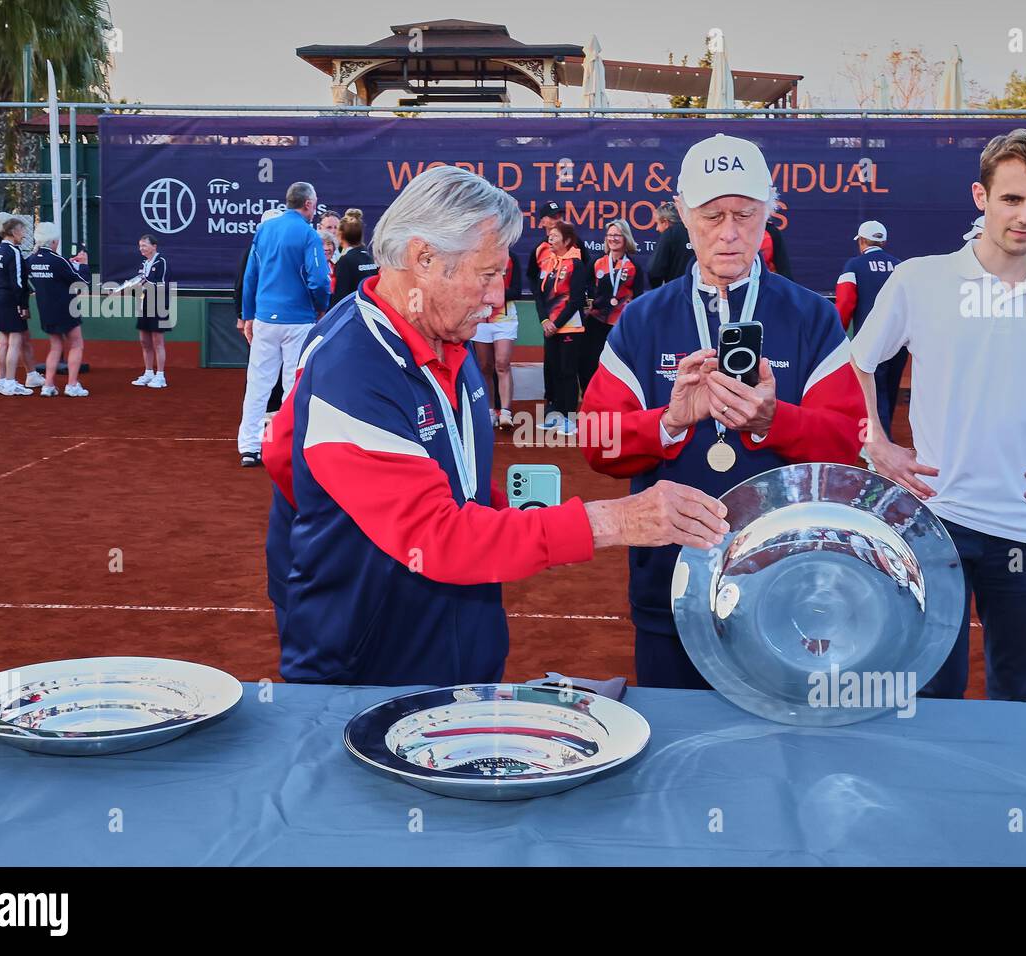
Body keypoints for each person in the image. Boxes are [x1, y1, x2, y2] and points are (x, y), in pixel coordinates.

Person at [260, 164, 729, 687]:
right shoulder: (352, 366)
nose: (495, 298)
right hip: (365, 675)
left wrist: (535, 516)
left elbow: (460, 495)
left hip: (455, 654)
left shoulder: (448, 346)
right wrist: (614, 522)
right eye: (486, 276)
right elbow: (437, 536)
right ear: (423, 259)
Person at [580, 133, 865, 688]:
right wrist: (670, 422)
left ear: (770, 213)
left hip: (785, 581)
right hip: (669, 576)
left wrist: (772, 420)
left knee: (779, 750)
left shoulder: (812, 317)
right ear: (683, 215)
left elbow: (845, 443)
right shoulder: (643, 319)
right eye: (712, 215)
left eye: (745, 213)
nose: (730, 233)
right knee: (674, 745)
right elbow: (597, 440)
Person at [850, 128, 1026, 702]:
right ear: (981, 197)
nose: (1025, 216)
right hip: (933, 518)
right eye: (1012, 199)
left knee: (1015, 689)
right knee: (931, 689)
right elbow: (857, 363)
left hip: (1023, 526)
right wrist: (874, 439)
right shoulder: (920, 279)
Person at [238, 181, 330, 468]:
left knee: (258, 384)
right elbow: (318, 280)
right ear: (308, 205)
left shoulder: (265, 229)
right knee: (293, 385)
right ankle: (286, 446)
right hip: (298, 319)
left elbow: (250, 275)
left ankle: (250, 447)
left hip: (266, 317)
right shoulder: (308, 234)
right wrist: (320, 308)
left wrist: (249, 314)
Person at [835, 220, 905, 440]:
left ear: (862, 241)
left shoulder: (854, 266)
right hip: (899, 340)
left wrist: (839, 334)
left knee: (873, 392)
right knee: (891, 390)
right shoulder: (900, 266)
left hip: (870, 340)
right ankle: (884, 438)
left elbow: (845, 303)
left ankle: (877, 443)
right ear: (882, 241)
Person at [26, 222, 91, 396]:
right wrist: (84, 264)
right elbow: (82, 281)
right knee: (77, 344)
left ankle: (48, 385)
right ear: (53, 241)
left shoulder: (32, 259)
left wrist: (68, 265)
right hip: (65, 308)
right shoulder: (57, 260)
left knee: (55, 346)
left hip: (45, 310)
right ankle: (72, 385)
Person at [580, 219, 645, 388]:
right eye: (610, 235)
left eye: (617, 235)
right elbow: (585, 287)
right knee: (590, 363)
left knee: (618, 364)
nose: (613, 239)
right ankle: (591, 400)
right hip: (596, 323)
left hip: (620, 324)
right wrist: (587, 304)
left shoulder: (633, 266)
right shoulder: (597, 263)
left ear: (625, 238)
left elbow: (638, 298)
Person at [539, 222, 590, 436]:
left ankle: (570, 419)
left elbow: (577, 300)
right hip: (549, 328)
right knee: (553, 371)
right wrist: (544, 321)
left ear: (567, 240)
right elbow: (540, 296)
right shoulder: (548, 263)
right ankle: (555, 415)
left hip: (569, 327)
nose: (550, 239)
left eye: (555, 236)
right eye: (549, 235)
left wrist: (556, 324)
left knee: (568, 372)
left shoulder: (576, 264)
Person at [0, 212, 43, 388]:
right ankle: (10, 381)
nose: (24, 234)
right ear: (9, 230)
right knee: (15, 340)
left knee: (6, 341)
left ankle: (5, 379)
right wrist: (23, 304)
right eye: (20, 230)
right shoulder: (11, 250)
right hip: (12, 300)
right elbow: (17, 278)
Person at [526, 200, 567, 426]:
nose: (557, 219)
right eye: (552, 216)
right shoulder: (540, 249)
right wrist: (543, 314)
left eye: (559, 214)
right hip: (549, 317)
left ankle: (567, 408)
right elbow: (533, 279)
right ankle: (551, 404)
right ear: (542, 222)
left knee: (568, 365)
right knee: (551, 362)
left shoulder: (574, 244)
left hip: (570, 317)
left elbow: (586, 275)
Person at [472, 253, 519, 428]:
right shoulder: (476, 258)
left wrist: (494, 294)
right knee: (485, 366)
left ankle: (506, 412)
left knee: (502, 363)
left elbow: (517, 291)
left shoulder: (510, 258)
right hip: (481, 319)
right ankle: (490, 411)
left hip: (504, 320)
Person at [129, 234, 170, 389]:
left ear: (154, 246)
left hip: (159, 305)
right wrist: (132, 288)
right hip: (144, 305)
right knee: (144, 341)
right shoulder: (143, 264)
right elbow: (140, 287)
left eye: (144, 245)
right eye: (140, 246)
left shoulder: (162, 262)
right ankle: (148, 373)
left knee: (157, 342)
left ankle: (160, 376)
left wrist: (145, 282)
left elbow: (163, 285)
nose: (142, 249)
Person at [330, 209, 377, 307]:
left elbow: (340, 297)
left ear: (340, 235)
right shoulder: (370, 258)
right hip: (370, 310)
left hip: (353, 313)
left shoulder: (345, 261)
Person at [647, 201, 695, 288]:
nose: (657, 229)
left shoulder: (669, 233)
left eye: (657, 223)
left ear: (665, 222)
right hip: (702, 292)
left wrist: (658, 289)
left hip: (676, 291)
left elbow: (654, 270)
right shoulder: (697, 231)